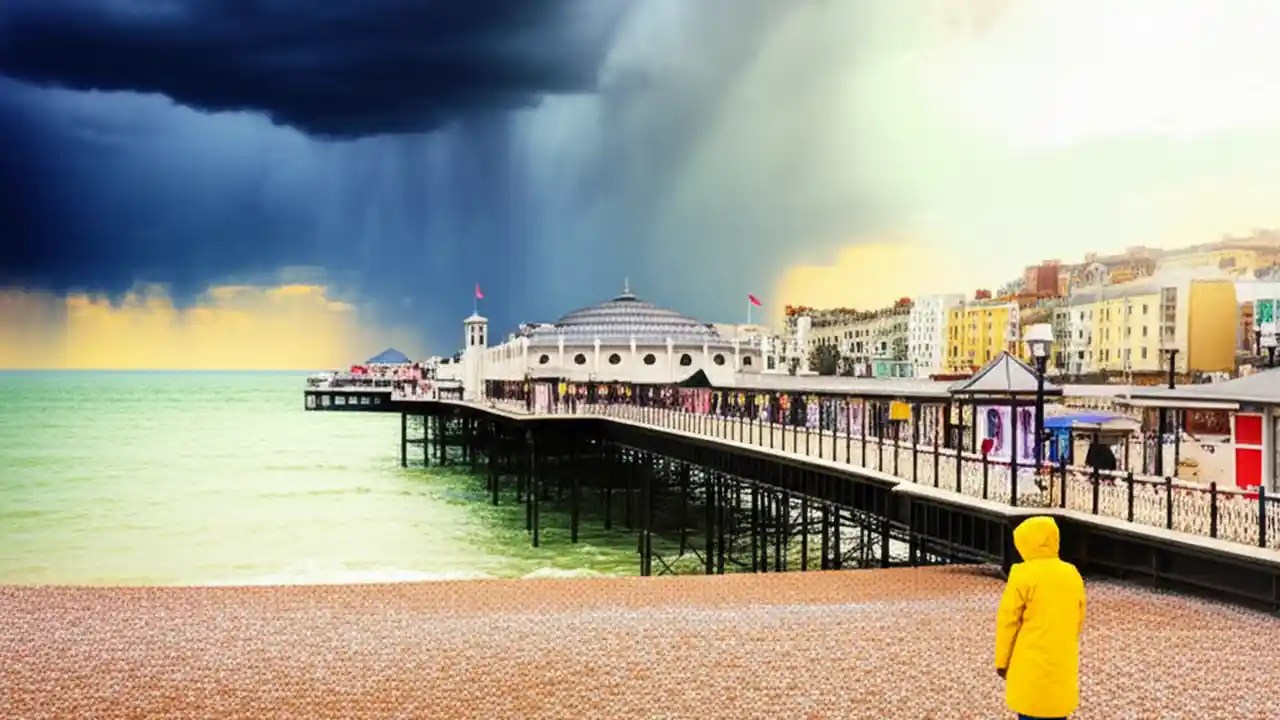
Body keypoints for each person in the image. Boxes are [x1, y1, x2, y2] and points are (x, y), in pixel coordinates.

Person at [995, 516, 1087, 720]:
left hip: (1030, 664)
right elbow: (1079, 616)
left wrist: (1002, 661)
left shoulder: (1022, 574)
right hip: (1061, 661)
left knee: (1030, 711)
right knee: (1056, 710)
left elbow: (1008, 622)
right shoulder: (1071, 573)